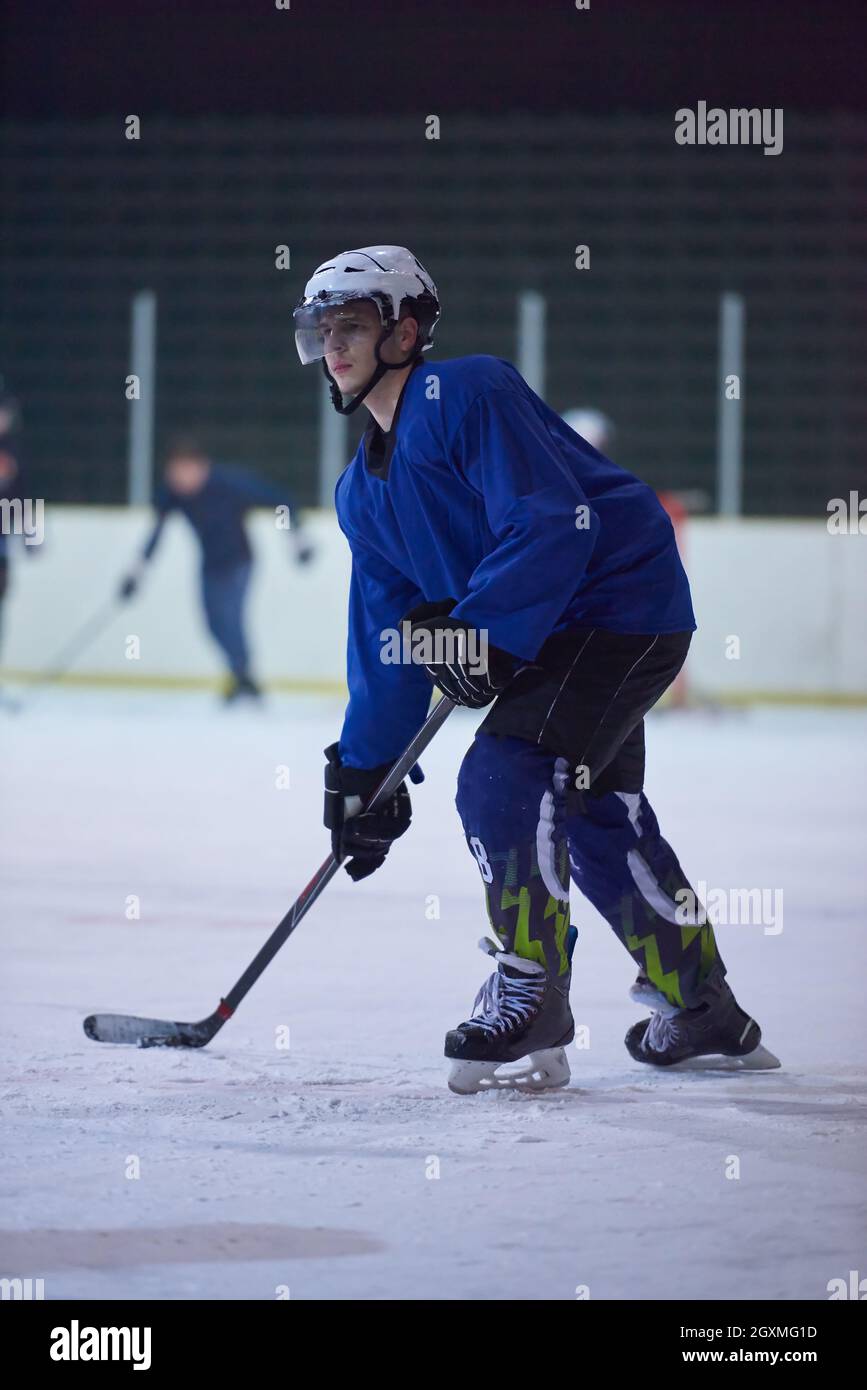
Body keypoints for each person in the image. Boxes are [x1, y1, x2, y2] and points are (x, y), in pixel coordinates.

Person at [293, 246, 777, 1094]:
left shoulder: (464, 392)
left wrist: (485, 635)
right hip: (550, 631)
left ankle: (532, 992)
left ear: (404, 332)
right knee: (593, 810)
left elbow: (555, 520)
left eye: (353, 326)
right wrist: (365, 771)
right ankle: (703, 1010)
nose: (333, 346)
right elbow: (388, 634)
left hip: (614, 610)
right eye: (322, 330)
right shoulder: (358, 492)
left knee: (504, 772)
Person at [120, 438, 313, 702]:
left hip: (240, 561)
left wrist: (297, 539)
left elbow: (279, 499)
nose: (179, 479)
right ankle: (242, 676)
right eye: (174, 473)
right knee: (213, 623)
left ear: (201, 467)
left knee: (230, 617)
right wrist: (137, 572)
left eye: (184, 471)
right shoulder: (173, 494)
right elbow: (156, 534)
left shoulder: (229, 484)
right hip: (209, 564)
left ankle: (243, 676)